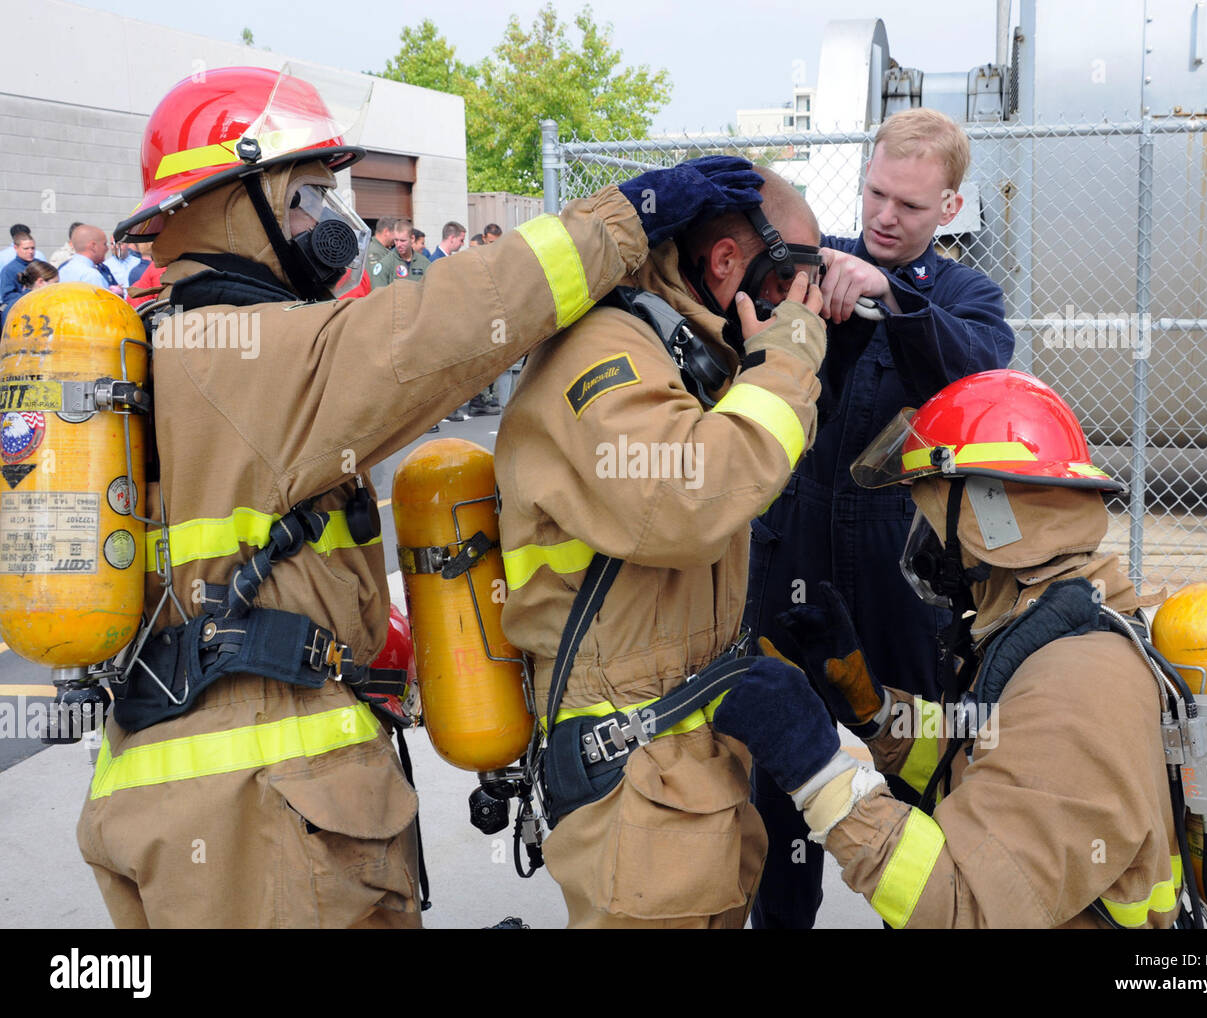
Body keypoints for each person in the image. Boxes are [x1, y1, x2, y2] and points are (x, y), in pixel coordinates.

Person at [74, 65, 762, 929]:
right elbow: (446, 324)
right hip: (258, 810)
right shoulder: (250, 353)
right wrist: (629, 217)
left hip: (168, 785)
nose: (326, 226)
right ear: (235, 201)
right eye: (308, 198)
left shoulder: (165, 338)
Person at [714, 369, 1183, 929]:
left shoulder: (1077, 683)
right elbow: (994, 759)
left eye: (929, 514)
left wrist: (815, 767)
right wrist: (877, 713)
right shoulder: (1043, 620)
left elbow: (965, 907)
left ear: (990, 513)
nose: (922, 540)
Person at [496, 166, 828, 928]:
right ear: (725, 266)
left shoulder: (679, 344)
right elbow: (686, 498)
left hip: (679, 755)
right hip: (632, 763)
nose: (800, 305)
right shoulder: (605, 350)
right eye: (792, 280)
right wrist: (789, 360)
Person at [745, 105, 1016, 929]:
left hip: (901, 568)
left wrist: (891, 298)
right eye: (874, 194)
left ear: (949, 210)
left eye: (907, 204)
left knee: (914, 763)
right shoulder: (815, 268)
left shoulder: (965, 294)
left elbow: (980, 368)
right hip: (792, 554)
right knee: (782, 777)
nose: (883, 216)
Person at [57, 225, 124, 295]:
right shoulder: (92, 276)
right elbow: (103, 304)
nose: (107, 249)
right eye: (104, 244)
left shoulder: (62, 270)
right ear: (93, 246)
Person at [0, 259, 57, 332]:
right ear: (40, 282)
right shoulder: (39, 305)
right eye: (55, 283)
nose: (57, 287)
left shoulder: (14, 304)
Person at [372, 219, 425, 285]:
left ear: (412, 238)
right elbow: (378, 292)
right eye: (396, 240)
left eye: (403, 241)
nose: (398, 245)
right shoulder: (386, 264)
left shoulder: (424, 263)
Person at [0, 232, 38, 307]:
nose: (30, 252)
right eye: (26, 248)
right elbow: (7, 296)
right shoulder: (9, 270)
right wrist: (27, 295)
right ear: (16, 248)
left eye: (32, 248)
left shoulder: (41, 265)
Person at [365, 215, 397, 280]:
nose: (397, 238)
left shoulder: (382, 250)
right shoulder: (374, 251)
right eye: (395, 234)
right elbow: (376, 279)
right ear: (386, 232)